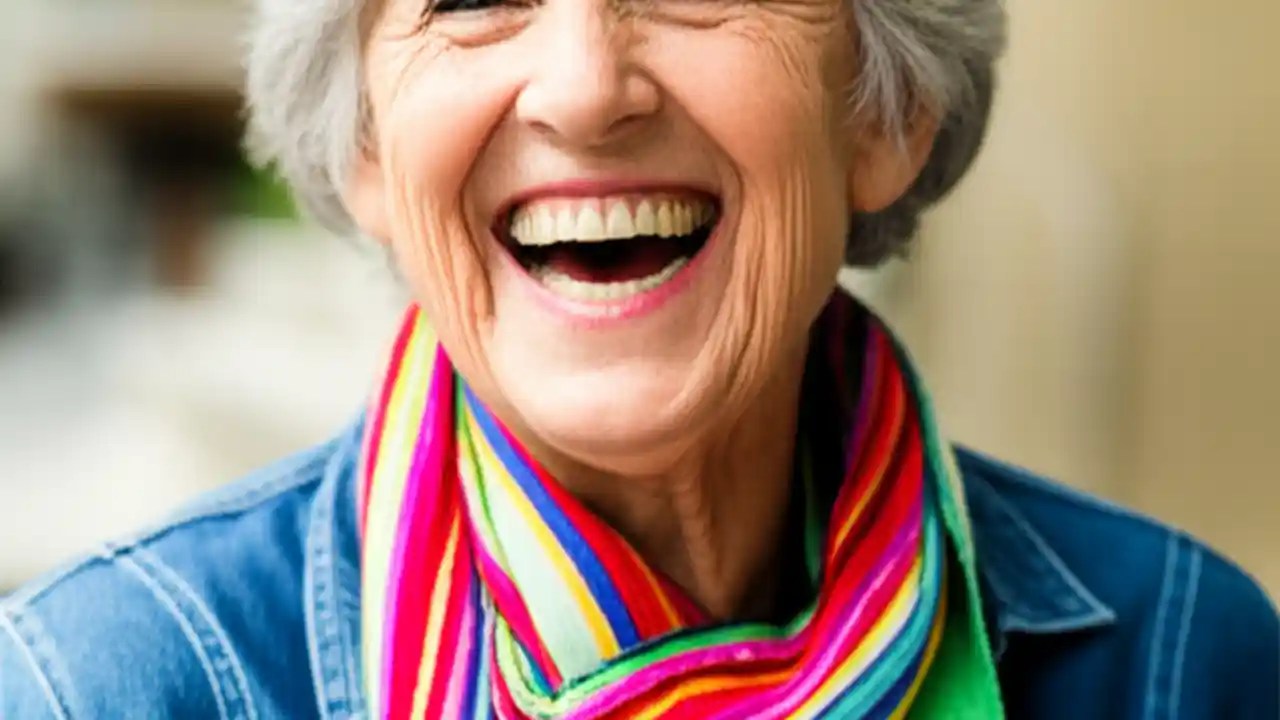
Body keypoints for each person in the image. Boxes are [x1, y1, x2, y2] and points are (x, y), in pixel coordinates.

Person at [2, 0, 1277, 716]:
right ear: (368, 152)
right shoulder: (103, 689)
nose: (582, 86)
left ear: (885, 115)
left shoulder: (1183, 664)